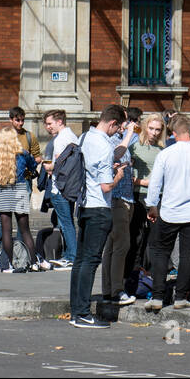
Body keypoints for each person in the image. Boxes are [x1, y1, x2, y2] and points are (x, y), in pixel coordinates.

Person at [144, 113, 190, 311]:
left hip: (169, 210)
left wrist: (152, 205)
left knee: (160, 252)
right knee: (186, 254)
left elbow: (155, 183)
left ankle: (158, 296)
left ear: (174, 134)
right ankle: (180, 297)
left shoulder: (165, 154)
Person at [68, 107, 129, 328]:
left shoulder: (84, 137)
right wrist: (118, 175)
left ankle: (76, 309)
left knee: (80, 260)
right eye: (118, 128)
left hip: (83, 204)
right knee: (91, 261)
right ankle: (83, 313)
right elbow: (105, 186)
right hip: (99, 207)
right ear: (112, 123)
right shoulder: (105, 145)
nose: (117, 133)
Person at [0, 107, 42, 266]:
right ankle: (33, 262)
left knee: (5, 230)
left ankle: (8, 263)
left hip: (4, 190)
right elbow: (33, 167)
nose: (21, 123)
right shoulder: (23, 153)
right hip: (20, 190)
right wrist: (25, 175)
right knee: (24, 230)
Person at [123, 112, 166, 304]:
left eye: (158, 129)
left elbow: (161, 181)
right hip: (137, 197)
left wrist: (142, 181)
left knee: (152, 240)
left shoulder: (162, 150)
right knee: (135, 239)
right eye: (151, 128)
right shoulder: (134, 147)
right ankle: (131, 279)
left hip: (154, 197)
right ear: (145, 127)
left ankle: (145, 278)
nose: (155, 133)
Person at [100, 105, 139, 307]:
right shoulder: (112, 139)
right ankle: (116, 290)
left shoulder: (119, 138)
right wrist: (129, 134)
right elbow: (116, 154)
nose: (126, 125)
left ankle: (109, 289)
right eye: (124, 121)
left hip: (126, 197)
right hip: (117, 198)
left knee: (114, 246)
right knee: (120, 246)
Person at [39, 109, 79, 270]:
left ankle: (71, 256)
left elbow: (60, 166)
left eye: (50, 123)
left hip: (59, 187)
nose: (48, 127)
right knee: (66, 221)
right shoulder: (71, 137)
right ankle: (70, 254)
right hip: (68, 187)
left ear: (59, 121)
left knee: (66, 222)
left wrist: (49, 167)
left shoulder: (61, 140)